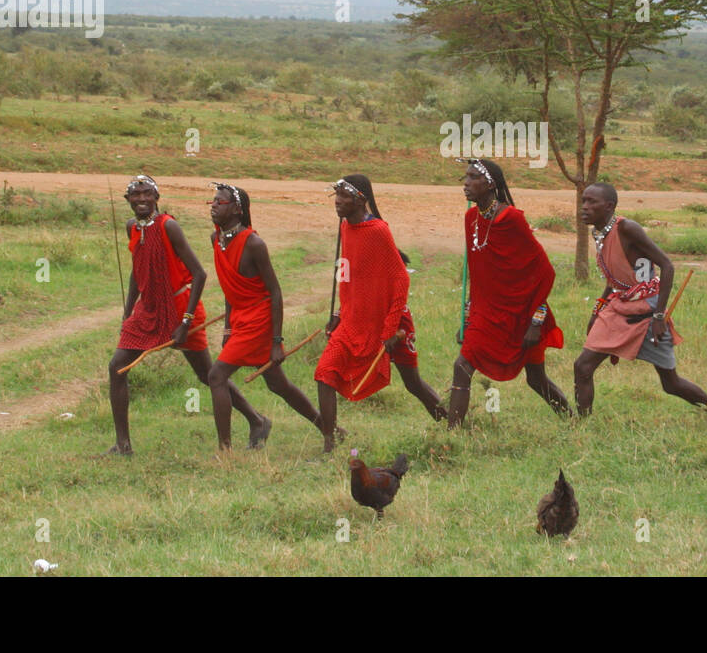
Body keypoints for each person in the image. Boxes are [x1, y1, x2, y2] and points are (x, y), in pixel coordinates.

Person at [107, 174, 259, 455]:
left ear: (156, 198)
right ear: (128, 200)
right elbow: (137, 271)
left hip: (180, 308)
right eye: (135, 195)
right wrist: (128, 313)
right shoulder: (132, 227)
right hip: (147, 310)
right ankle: (123, 444)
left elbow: (199, 274)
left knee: (208, 375)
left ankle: (256, 420)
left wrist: (185, 322)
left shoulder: (169, 226)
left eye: (147, 194)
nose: (141, 199)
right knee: (117, 367)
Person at [574, 183, 707, 418]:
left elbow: (667, 265)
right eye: (583, 201)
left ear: (609, 206)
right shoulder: (599, 232)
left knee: (670, 383)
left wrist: (660, 316)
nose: (585, 207)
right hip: (620, 306)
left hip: (648, 311)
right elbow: (615, 280)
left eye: (592, 202)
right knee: (582, 366)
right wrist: (597, 312)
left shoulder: (627, 228)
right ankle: (582, 427)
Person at [313, 175, 447, 453]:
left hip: (391, 321)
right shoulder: (346, 227)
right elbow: (346, 272)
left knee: (413, 383)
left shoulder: (377, 231)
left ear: (361, 200)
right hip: (354, 320)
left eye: (344, 196)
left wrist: (389, 331)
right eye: (335, 195)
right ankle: (330, 443)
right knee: (324, 374)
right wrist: (340, 311)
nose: (337, 201)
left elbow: (401, 280)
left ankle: (451, 427)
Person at [448, 158, 570, 427]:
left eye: (472, 178)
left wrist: (536, 322)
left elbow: (545, 272)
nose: (465, 183)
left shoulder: (511, 219)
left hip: (522, 313)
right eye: (464, 178)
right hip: (486, 313)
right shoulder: (472, 218)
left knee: (536, 379)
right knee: (462, 367)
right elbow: (477, 276)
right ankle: (450, 437)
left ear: (489, 183)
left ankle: (573, 419)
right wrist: (467, 318)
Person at [205, 182, 327, 450]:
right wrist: (227, 329)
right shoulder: (216, 239)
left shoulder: (253, 243)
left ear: (237, 209)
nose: (213, 206)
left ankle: (225, 451)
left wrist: (276, 341)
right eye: (212, 201)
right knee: (278, 385)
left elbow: (275, 292)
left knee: (216, 376)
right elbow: (229, 287)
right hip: (240, 319)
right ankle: (329, 429)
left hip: (260, 320)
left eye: (219, 202)